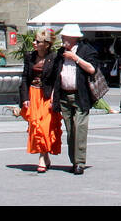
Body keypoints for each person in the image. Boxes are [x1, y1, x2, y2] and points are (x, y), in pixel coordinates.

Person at [16, 28, 62, 172]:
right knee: (36, 127)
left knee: (45, 126)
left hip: (47, 95)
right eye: (35, 40)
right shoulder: (30, 56)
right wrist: (24, 98)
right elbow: (24, 78)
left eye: (38, 41)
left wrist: (55, 95)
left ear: (46, 44)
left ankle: (43, 157)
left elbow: (57, 79)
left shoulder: (54, 58)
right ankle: (44, 157)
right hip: (33, 94)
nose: (34, 43)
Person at [56, 24, 99, 173]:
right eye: (62, 37)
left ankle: (80, 162)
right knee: (70, 131)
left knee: (79, 128)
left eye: (65, 37)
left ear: (74, 38)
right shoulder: (60, 53)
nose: (63, 40)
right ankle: (74, 161)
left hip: (81, 95)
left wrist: (75, 58)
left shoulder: (86, 51)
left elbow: (92, 69)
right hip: (64, 95)